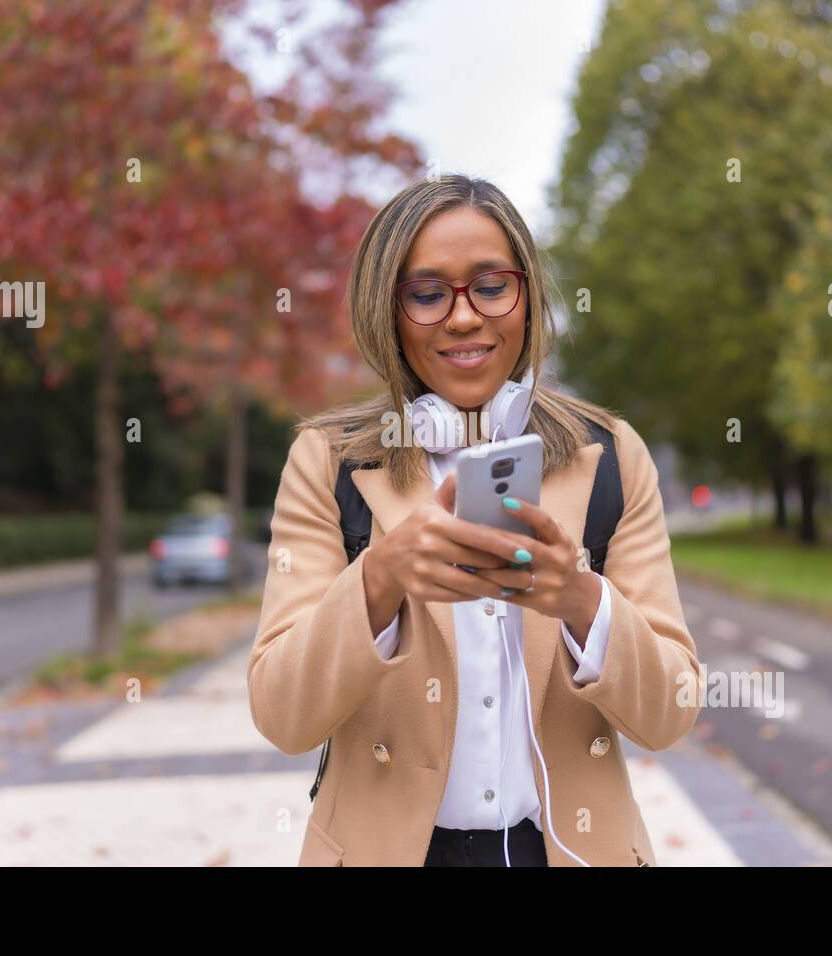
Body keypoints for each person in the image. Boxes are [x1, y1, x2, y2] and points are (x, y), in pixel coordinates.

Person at [247, 173, 703, 866]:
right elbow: (282, 714)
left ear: (527, 297)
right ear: (387, 311)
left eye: (492, 286)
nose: (464, 318)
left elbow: (671, 712)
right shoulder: (328, 462)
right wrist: (381, 579)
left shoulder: (608, 454)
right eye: (427, 295)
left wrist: (582, 602)